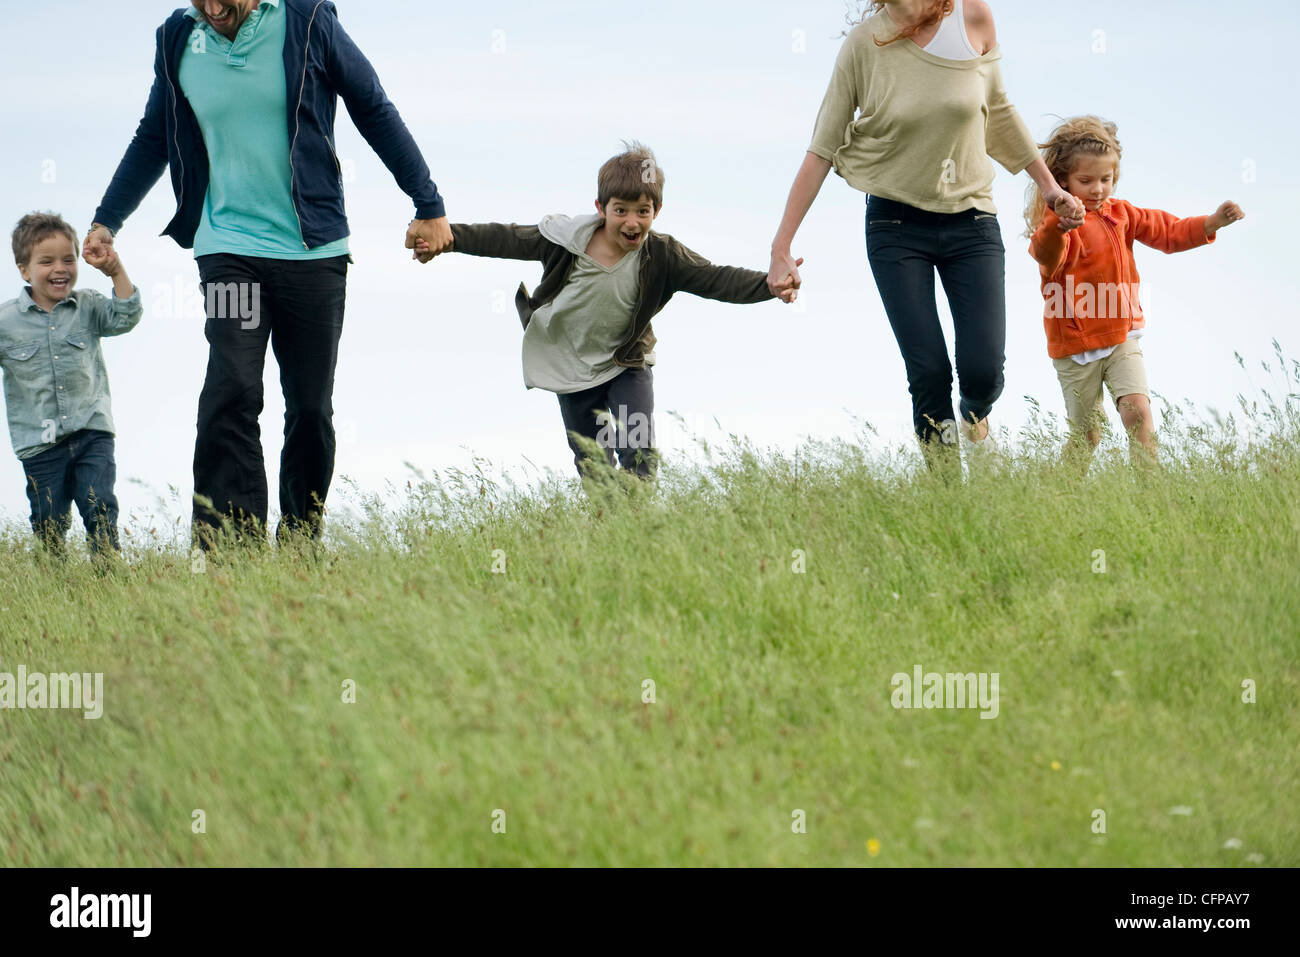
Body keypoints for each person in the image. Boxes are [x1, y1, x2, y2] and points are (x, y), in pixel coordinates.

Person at [84, 0, 452, 548]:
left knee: (309, 407)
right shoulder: (178, 38)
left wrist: (427, 201)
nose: (213, 8)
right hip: (228, 249)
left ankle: (302, 541)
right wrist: (106, 219)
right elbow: (152, 136)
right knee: (230, 387)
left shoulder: (308, 21)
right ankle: (230, 550)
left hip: (313, 250)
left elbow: (371, 106)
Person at [768, 0, 1086, 467]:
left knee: (983, 372)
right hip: (895, 227)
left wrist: (1051, 188)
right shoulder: (863, 45)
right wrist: (781, 247)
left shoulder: (972, 17)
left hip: (972, 222)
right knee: (928, 372)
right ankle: (943, 496)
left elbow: (997, 111)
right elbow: (821, 148)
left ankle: (974, 418)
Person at [418, 143, 797, 479]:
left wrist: (769, 284)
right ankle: (608, 528)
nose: (632, 222)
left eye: (642, 211)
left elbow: (715, 279)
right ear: (601, 208)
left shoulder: (663, 255)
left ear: (656, 210)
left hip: (625, 363)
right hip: (570, 365)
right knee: (594, 465)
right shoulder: (563, 241)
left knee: (637, 451)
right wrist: (447, 238)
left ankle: (640, 525)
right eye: (621, 210)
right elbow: (504, 237)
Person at [1026, 116, 1244, 465]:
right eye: (1086, 181)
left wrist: (1212, 222)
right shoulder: (1057, 224)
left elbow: (1168, 232)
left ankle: (1150, 494)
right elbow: (1044, 255)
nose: (1097, 189)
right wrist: (1059, 223)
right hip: (1075, 345)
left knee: (1138, 411)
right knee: (1087, 436)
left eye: (1106, 179)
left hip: (1120, 335)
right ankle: (1054, 498)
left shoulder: (1122, 214)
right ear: (1063, 179)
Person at [0, 214, 142, 557]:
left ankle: (108, 572)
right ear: (24, 269)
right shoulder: (5, 322)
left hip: (90, 430)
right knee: (49, 522)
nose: (59, 268)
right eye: (46, 261)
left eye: (67, 259)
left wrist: (115, 271)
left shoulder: (88, 305)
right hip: (39, 443)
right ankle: (52, 578)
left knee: (100, 504)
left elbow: (126, 315)